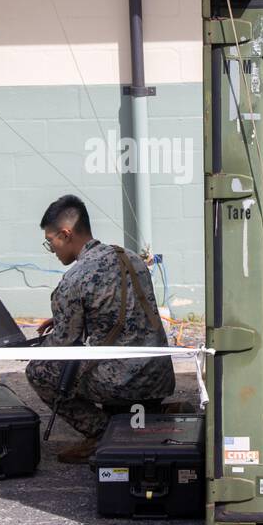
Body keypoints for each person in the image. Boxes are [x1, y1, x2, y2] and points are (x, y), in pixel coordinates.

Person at [26, 194, 173, 463]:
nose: (53, 250)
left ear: (66, 234)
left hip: (124, 380)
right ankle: (150, 417)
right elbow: (121, 310)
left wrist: (30, 349)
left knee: (39, 370)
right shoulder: (130, 257)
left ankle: (103, 432)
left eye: (51, 242)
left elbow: (63, 346)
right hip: (159, 372)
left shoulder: (76, 277)